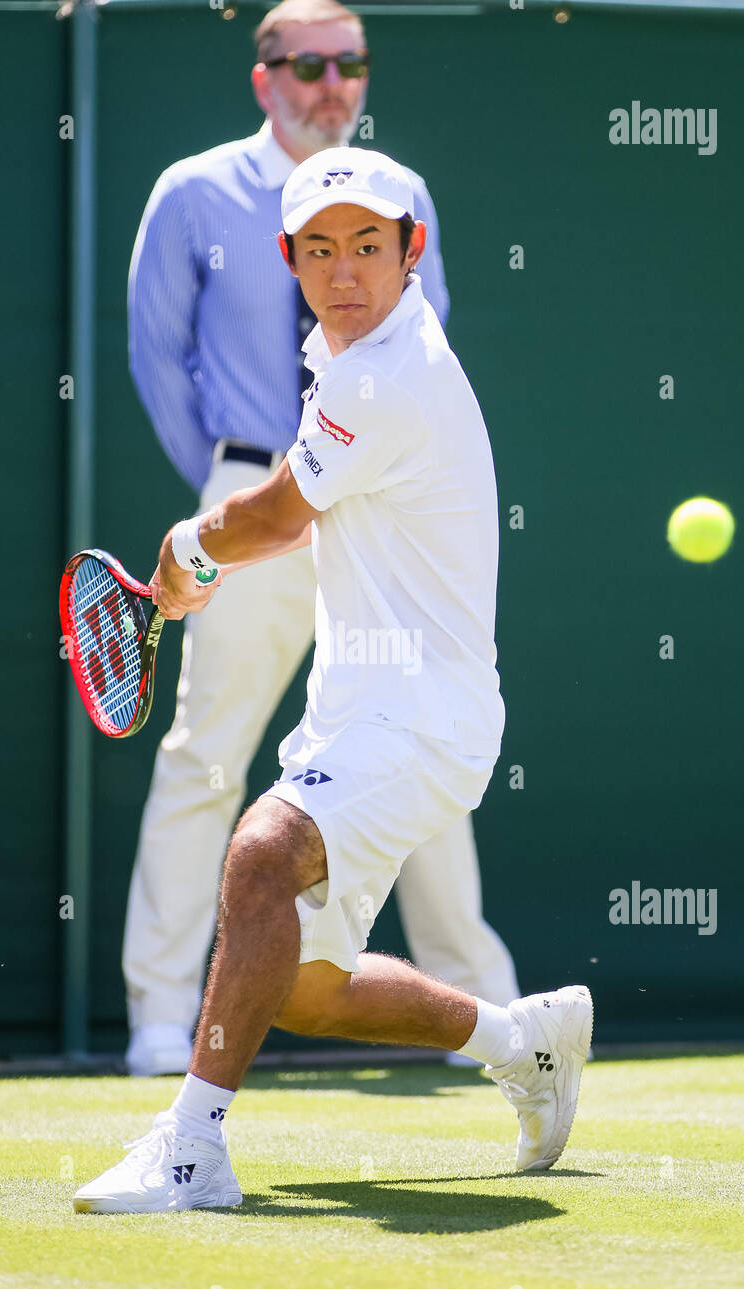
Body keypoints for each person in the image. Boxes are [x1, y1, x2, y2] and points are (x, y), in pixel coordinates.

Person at [74, 147, 593, 1214]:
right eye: (319, 249)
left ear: (412, 252)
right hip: (362, 714)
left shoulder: (380, 373)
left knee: (259, 855)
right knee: (296, 981)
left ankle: (190, 1149)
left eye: (368, 245)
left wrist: (188, 550)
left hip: (422, 717)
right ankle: (520, 1040)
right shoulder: (353, 356)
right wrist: (203, 556)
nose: (343, 270)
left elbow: (273, 514)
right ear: (289, 261)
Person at [122, 0, 519, 1078]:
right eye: (305, 63)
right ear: (264, 78)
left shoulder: (402, 193)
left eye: (348, 63)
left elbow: (403, 344)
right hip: (258, 481)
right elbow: (157, 358)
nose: (328, 83)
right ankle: (160, 1017)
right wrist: (231, 484)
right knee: (205, 759)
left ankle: (478, 1004)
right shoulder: (192, 190)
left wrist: (241, 521)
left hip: (358, 495)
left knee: (402, 749)